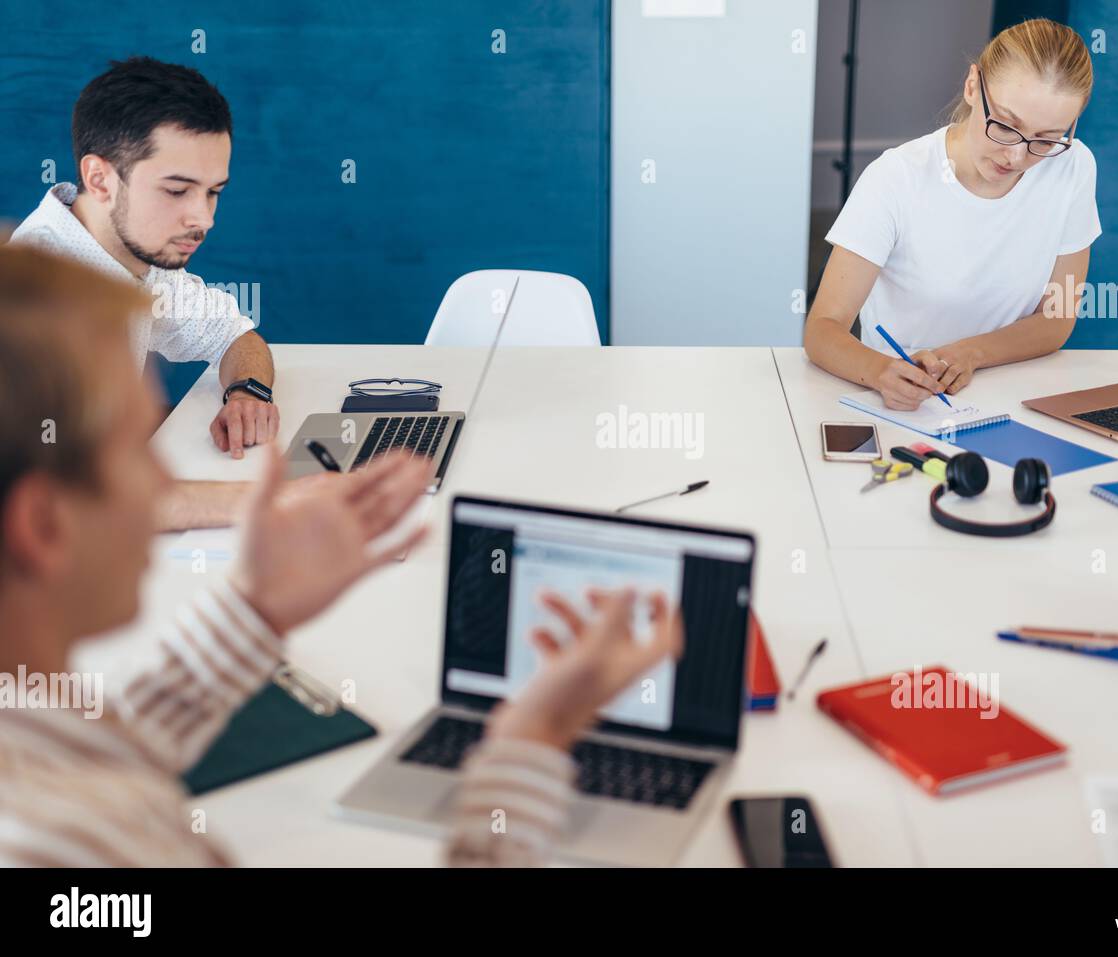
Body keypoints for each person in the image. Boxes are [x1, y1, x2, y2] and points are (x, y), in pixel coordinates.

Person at [0, 245, 680, 868]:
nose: (161, 480)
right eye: (135, 448)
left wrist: (256, 607)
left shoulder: (35, 729)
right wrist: (530, 746)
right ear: (44, 524)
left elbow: (96, 750)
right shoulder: (78, 848)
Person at [9, 57, 280, 530]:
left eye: (213, 191)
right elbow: (78, 500)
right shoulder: (40, 301)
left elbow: (233, 335)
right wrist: (283, 500)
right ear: (100, 180)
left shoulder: (134, 253)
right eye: (177, 191)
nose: (204, 219)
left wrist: (246, 392)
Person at [803, 18, 1101, 411]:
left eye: (1046, 139)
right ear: (973, 86)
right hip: (913, 400)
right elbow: (823, 329)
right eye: (1007, 126)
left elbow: (1057, 318)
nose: (1016, 156)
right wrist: (880, 371)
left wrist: (971, 354)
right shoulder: (897, 178)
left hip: (1016, 391)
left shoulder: (1072, 166)